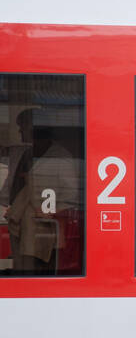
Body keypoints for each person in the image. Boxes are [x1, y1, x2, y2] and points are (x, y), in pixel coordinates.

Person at [6, 115, 81, 275]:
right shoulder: (28, 155)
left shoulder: (61, 157)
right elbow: (13, 188)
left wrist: (53, 212)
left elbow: (71, 195)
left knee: (43, 267)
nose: (19, 132)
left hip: (48, 227)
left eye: (22, 128)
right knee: (26, 265)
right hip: (25, 223)